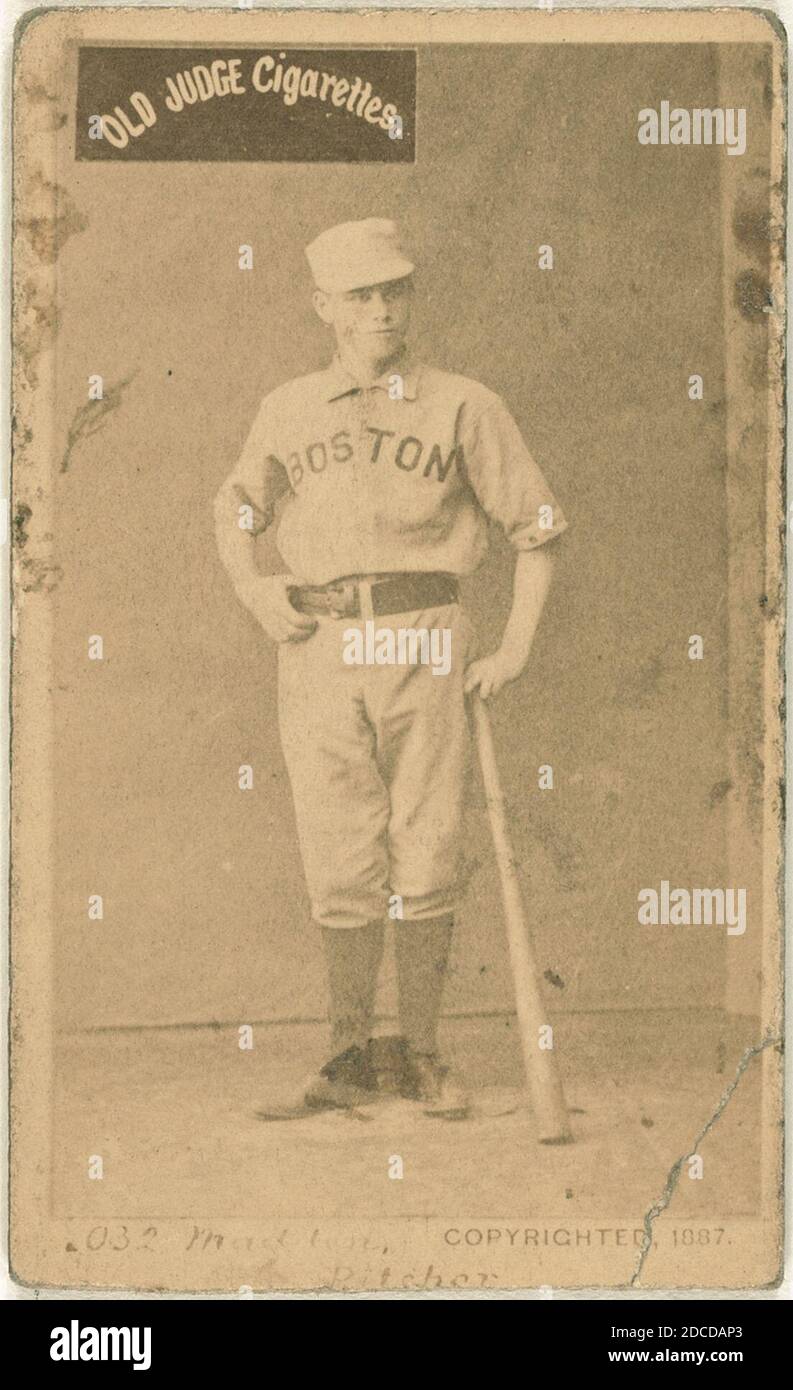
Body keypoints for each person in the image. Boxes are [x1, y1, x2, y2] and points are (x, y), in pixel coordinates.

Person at [213, 218, 568, 1118]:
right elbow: (237, 511)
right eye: (360, 296)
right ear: (323, 307)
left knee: (425, 843)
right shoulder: (288, 406)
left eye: (393, 291)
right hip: (322, 643)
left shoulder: (461, 402)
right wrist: (262, 598)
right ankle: (344, 1059)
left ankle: (421, 1052)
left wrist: (515, 645)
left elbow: (537, 528)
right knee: (338, 849)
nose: (380, 311)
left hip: (422, 635)